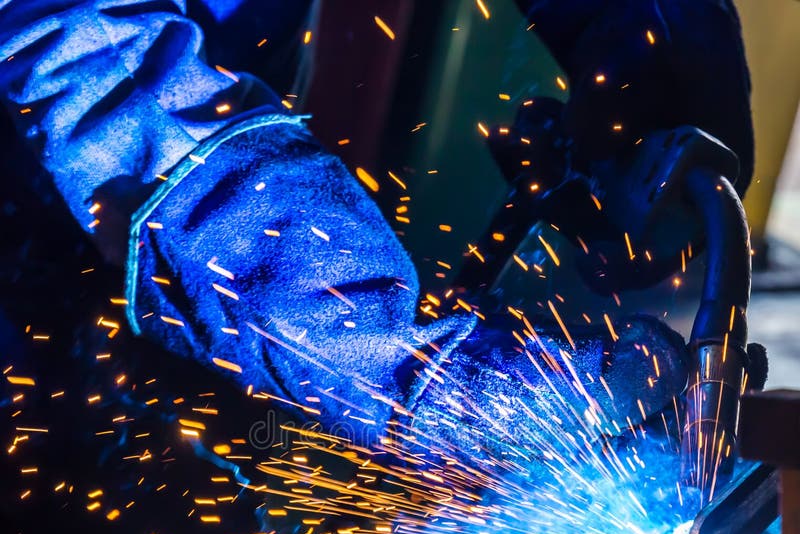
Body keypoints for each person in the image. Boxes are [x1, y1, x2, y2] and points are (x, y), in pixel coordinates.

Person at [0, 0, 754, 468]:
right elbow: (93, 59)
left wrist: (644, 28)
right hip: (43, 285)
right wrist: (389, 362)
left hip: (200, 295)